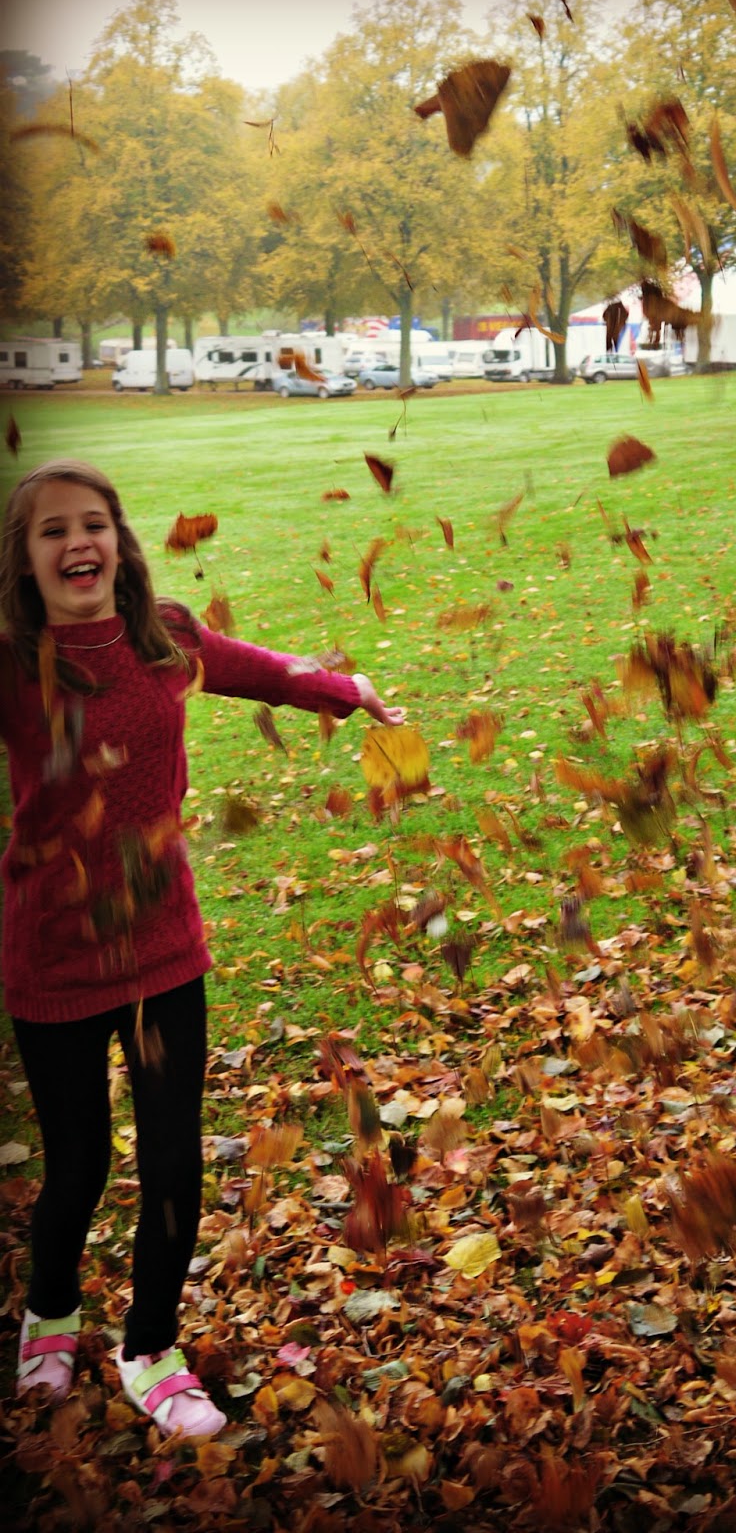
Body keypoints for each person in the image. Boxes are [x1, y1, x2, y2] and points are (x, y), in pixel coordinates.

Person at [0, 459, 403, 1439]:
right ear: (24, 560)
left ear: (119, 542)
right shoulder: (13, 663)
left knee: (174, 1164)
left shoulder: (165, 637)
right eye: (53, 530)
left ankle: (150, 1349)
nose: (78, 542)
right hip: (54, 956)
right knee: (77, 1168)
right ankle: (50, 1314)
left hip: (163, 950)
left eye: (93, 524)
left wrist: (344, 688)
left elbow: (261, 668)